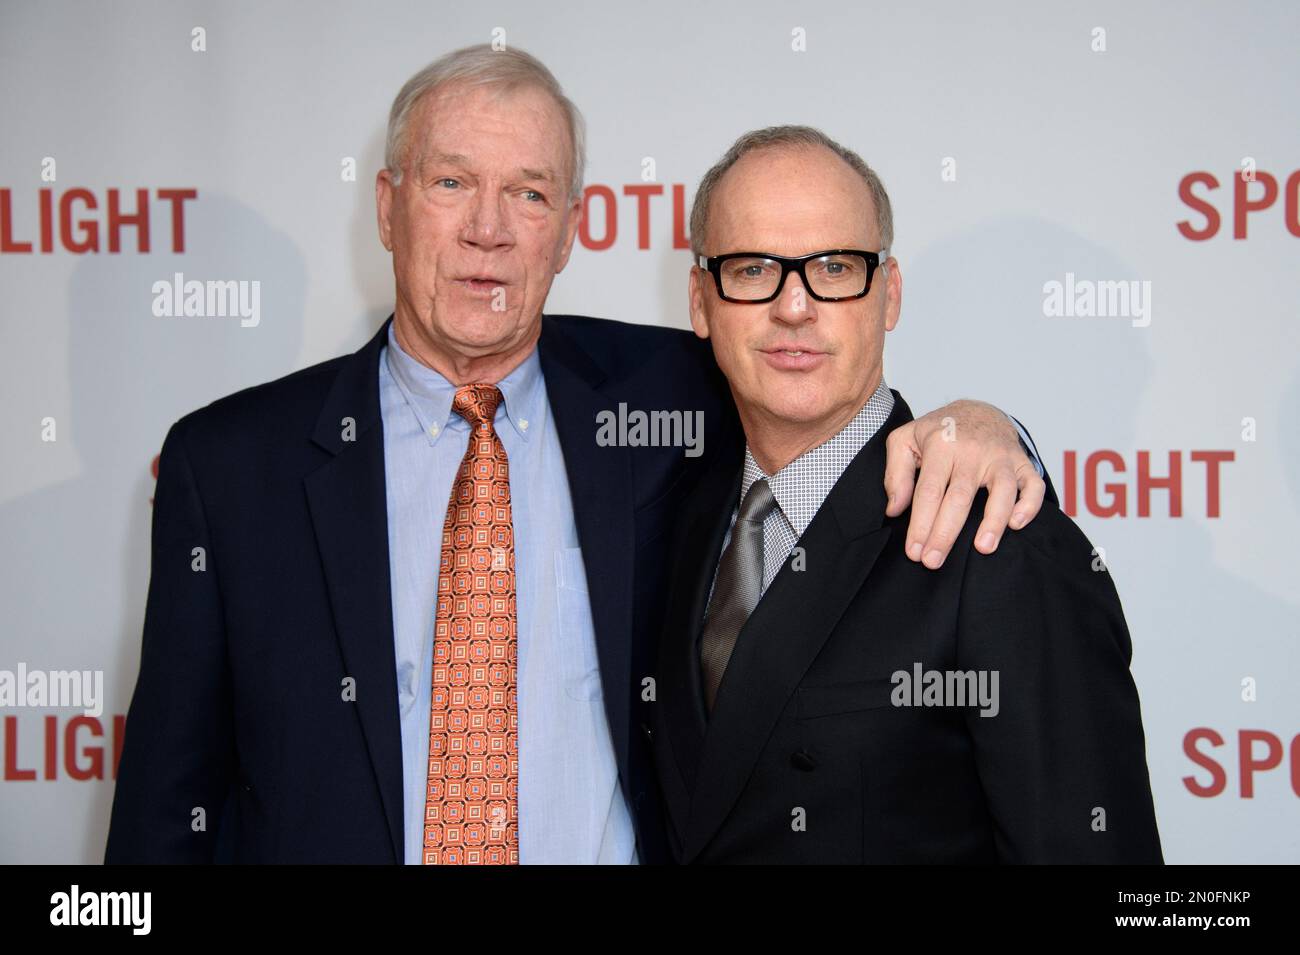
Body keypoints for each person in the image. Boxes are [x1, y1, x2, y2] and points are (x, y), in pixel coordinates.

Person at [106, 46, 1051, 865]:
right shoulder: (229, 469)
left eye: (530, 192)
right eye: (451, 182)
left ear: (569, 229)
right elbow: (163, 817)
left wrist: (985, 426)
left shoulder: (676, 397)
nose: (490, 227)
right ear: (388, 208)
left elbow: (825, 391)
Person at [650, 125, 1163, 863]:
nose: (794, 306)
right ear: (701, 301)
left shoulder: (1000, 545)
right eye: (754, 267)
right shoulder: (672, 513)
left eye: (834, 266)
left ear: (888, 294)